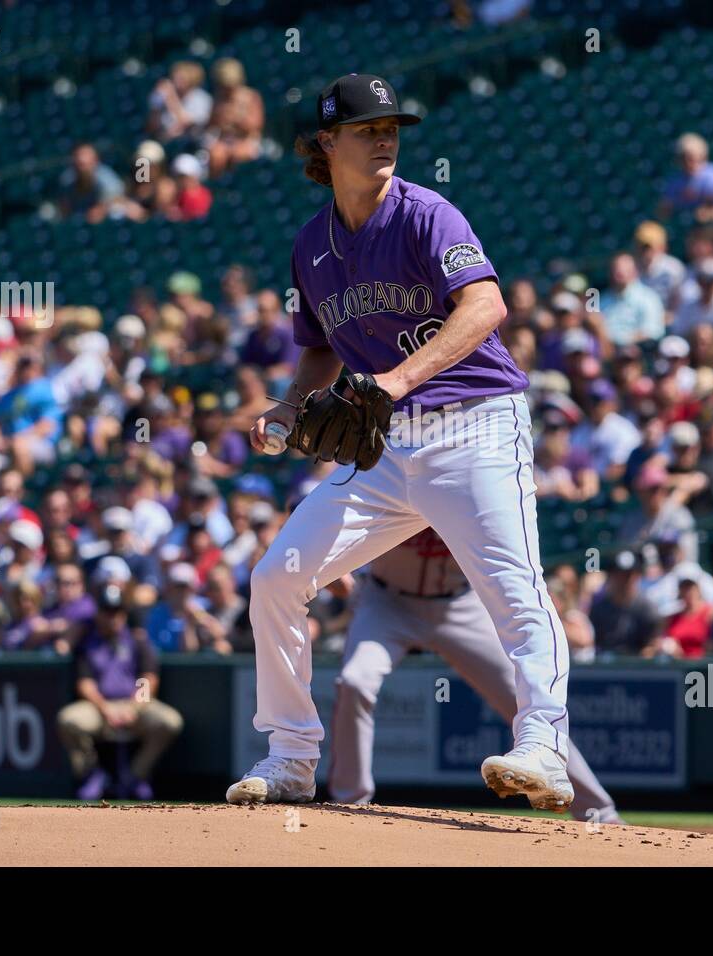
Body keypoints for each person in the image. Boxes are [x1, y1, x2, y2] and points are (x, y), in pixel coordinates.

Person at [228, 75, 572, 812]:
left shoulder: (426, 214)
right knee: (276, 577)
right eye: (366, 127)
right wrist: (288, 412)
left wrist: (395, 378)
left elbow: (487, 303)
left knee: (516, 589)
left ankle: (543, 745)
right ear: (326, 144)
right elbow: (318, 350)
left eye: (392, 126)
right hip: (385, 447)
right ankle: (290, 757)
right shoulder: (311, 248)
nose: (385, 137)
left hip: (473, 423)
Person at [328, 528, 621, 823]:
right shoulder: (390, 480)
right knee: (355, 681)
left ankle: (599, 812)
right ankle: (350, 802)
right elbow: (309, 505)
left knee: (527, 702)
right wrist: (326, 557)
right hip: (386, 604)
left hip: (461, 604)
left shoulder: (470, 485)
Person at [57, 583, 184, 800]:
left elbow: (149, 678)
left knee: (169, 721)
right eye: (107, 611)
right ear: (98, 613)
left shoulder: (137, 640)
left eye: (117, 611)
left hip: (135, 705)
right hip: (100, 707)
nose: (112, 617)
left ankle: (136, 776)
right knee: (69, 720)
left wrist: (134, 707)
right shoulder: (88, 641)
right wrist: (104, 708)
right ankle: (92, 774)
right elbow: (85, 683)